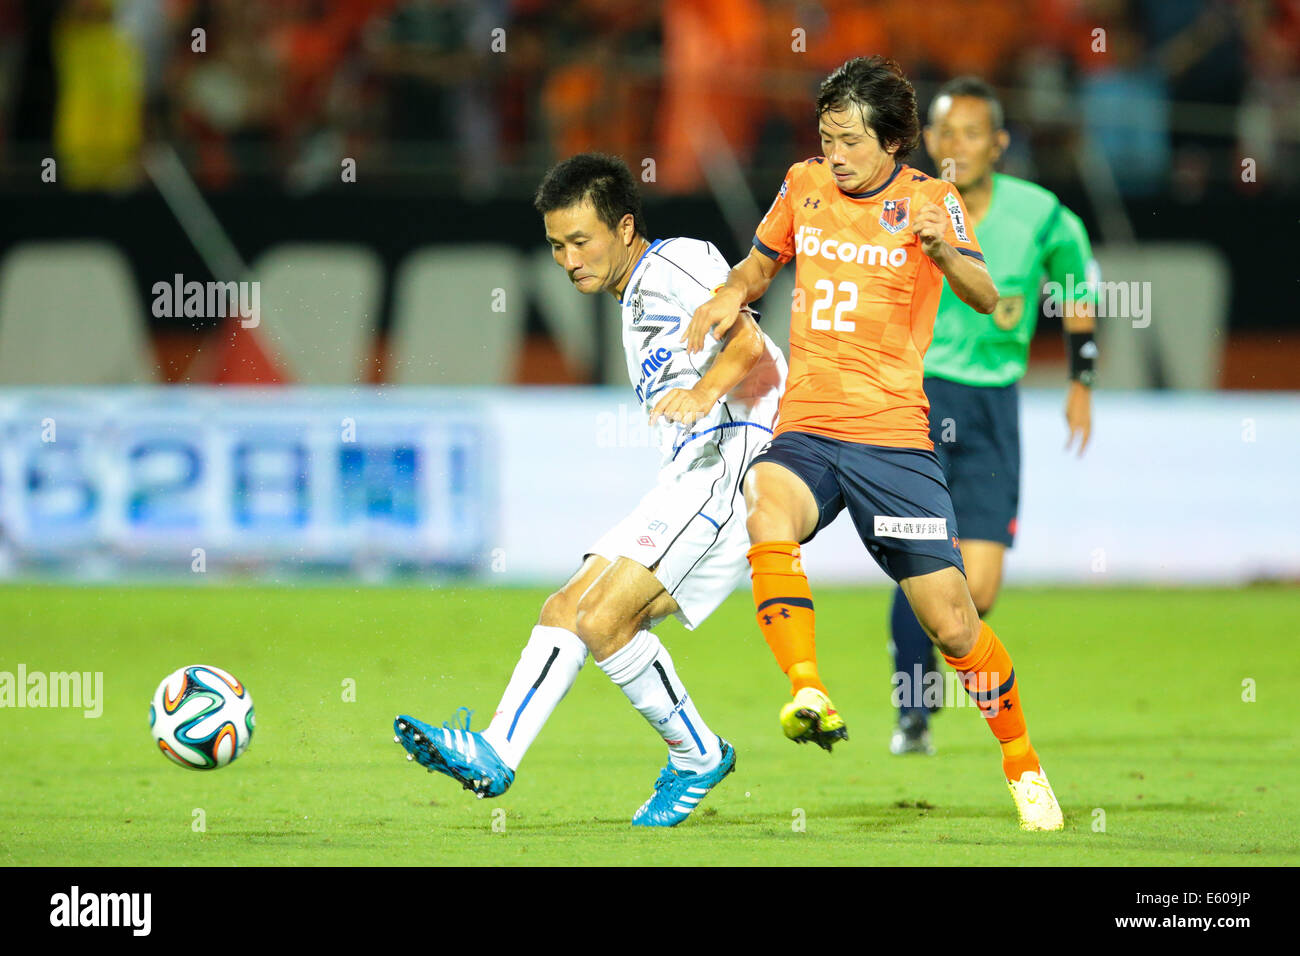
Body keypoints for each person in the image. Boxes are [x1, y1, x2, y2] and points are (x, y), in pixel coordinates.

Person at [686, 56, 1063, 830]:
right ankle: (808, 687)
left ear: (892, 140)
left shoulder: (932, 200)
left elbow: (988, 296)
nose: (835, 155)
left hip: (893, 439)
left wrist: (945, 251)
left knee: (954, 625)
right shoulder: (802, 185)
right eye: (827, 138)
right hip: (809, 426)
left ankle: (1022, 762)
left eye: (851, 141)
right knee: (765, 502)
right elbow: (760, 263)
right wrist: (730, 290)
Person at [393, 153, 788, 827]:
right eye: (556, 246)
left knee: (605, 620)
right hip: (690, 472)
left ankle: (697, 754)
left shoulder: (677, 261)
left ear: (625, 227)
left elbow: (748, 346)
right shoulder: (632, 300)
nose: (568, 260)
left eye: (581, 241)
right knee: (566, 609)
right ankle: (497, 749)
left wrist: (702, 394)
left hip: (735, 464)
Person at [888, 76, 1096, 756]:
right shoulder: (901, 206)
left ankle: (922, 664)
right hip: (917, 398)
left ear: (999, 143)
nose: (957, 145)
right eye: (946, 131)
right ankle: (912, 706)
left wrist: (1082, 379)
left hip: (993, 406)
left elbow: (1077, 285)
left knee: (976, 587)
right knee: (923, 554)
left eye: (972, 132)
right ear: (929, 140)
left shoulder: (1039, 214)